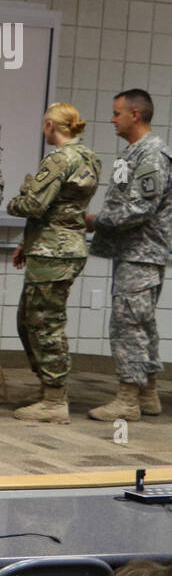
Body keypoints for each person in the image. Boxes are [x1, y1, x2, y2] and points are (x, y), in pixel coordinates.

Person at [6, 103, 99, 423]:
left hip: (53, 252)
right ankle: (50, 389)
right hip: (62, 247)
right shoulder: (89, 157)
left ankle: (54, 399)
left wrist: (14, 200)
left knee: (44, 324)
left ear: (50, 125)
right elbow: (64, 210)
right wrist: (26, 243)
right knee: (30, 320)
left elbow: (34, 203)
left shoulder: (59, 159)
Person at [86, 88, 172, 422]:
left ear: (135, 115)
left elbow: (141, 207)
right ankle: (148, 393)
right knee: (142, 322)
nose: (112, 119)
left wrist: (97, 220)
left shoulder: (151, 154)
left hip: (141, 253)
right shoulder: (134, 152)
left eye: (117, 113)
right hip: (134, 252)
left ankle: (127, 400)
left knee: (129, 325)